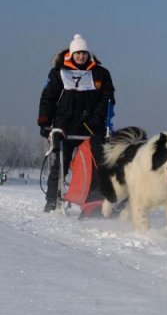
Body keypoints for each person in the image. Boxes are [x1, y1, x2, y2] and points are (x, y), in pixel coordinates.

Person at [37, 34, 115, 212]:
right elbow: (48, 98)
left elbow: (108, 98)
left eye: (84, 53)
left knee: (98, 163)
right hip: (64, 125)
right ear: (72, 54)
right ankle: (52, 200)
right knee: (60, 162)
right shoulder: (59, 72)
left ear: (89, 54)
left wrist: (98, 117)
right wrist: (44, 122)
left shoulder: (101, 74)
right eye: (78, 53)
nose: (81, 56)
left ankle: (95, 201)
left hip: (91, 125)